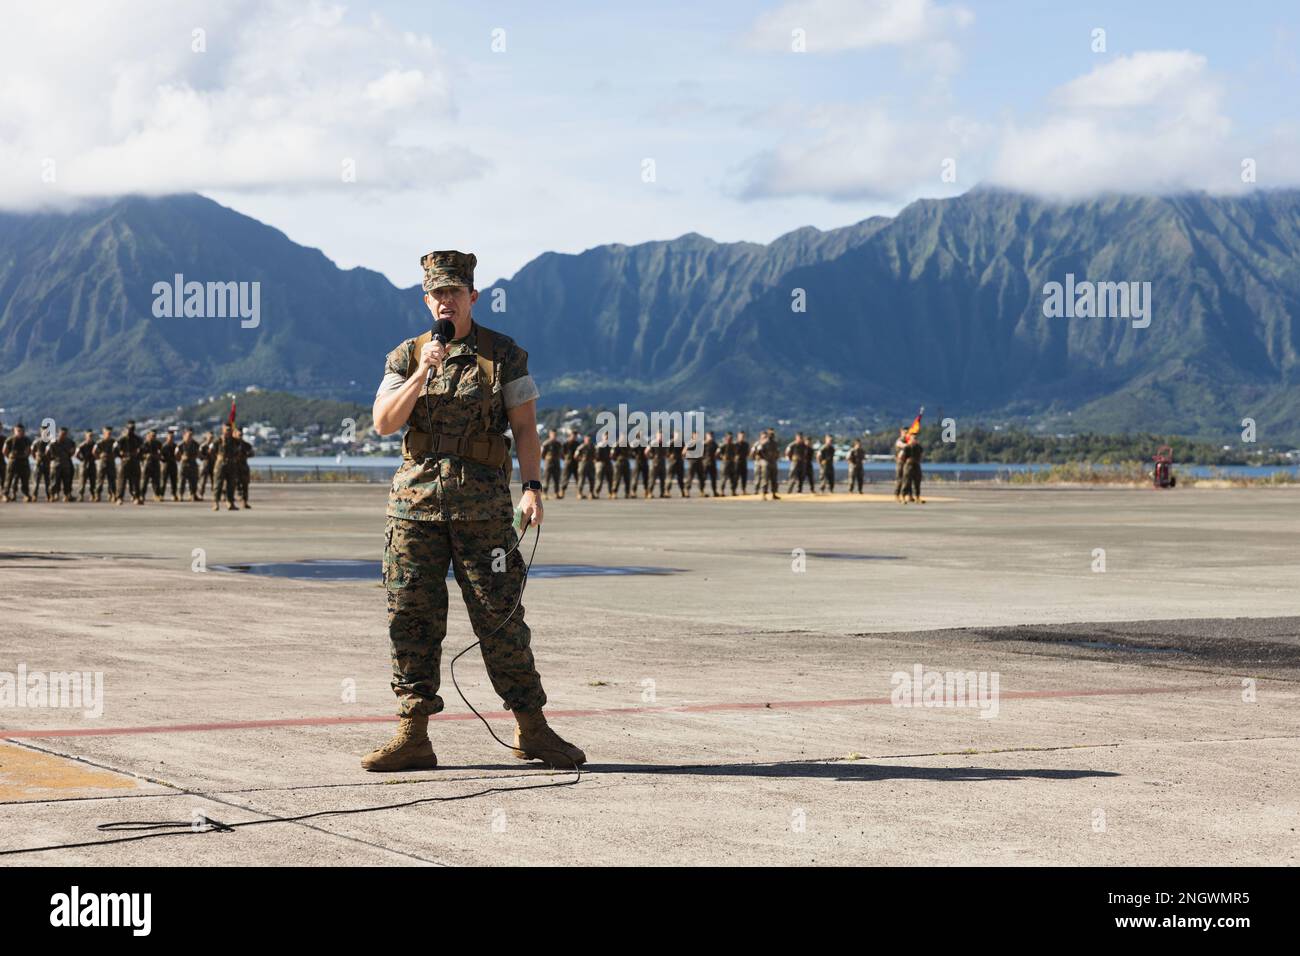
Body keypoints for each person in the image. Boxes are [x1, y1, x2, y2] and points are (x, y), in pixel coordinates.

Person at [364, 248, 584, 772]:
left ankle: (532, 728)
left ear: (472, 297)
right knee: (410, 616)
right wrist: (421, 374)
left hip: (484, 512)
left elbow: (526, 428)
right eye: (437, 293)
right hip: (414, 511)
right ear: (426, 299)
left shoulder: (504, 354)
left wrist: (532, 487)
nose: (446, 301)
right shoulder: (406, 354)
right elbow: (383, 423)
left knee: (501, 616)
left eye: (454, 293)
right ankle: (412, 732)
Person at [210, 423, 240, 511]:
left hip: (231, 464)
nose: (229, 432)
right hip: (220, 464)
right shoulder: (217, 440)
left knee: (231, 484)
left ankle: (230, 502)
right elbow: (211, 452)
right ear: (223, 430)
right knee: (217, 484)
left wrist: (234, 459)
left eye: (230, 430)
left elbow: (238, 452)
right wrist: (218, 459)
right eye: (227, 430)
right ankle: (215, 502)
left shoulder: (235, 441)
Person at [115, 421, 145, 506]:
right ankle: (119, 498)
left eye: (132, 428)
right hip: (124, 462)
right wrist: (121, 456)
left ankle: (136, 497)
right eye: (129, 428)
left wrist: (139, 456)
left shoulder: (138, 439)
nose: (130, 430)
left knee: (136, 481)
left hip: (135, 461)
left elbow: (143, 449)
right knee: (122, 481)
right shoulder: (121, 439)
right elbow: (115, 449)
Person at [3, 424, 33, 502]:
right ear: (14, 431)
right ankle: (5, 495)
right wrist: (10, 458)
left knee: (25, 480)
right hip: (13, 462)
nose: (21, 432)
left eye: (22, 431)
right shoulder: (10, 439)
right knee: (9, 479)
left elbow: (29, 450)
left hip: (23, 462)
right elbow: (4, 451)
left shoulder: (26, 439)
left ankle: (26, 495)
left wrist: (25, 456)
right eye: (19, 431)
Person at [50, 426, 76, 502]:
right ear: (58, 433)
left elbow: (73, 451)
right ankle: (54, 494)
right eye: (62, 433)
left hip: (66, 464)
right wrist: (53, 460)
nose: (63, 435)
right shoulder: (53, 442)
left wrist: (68, 456)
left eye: (65, 434)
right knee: (55, 481)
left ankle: (67, 495)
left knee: (67, 481)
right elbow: (49, 453)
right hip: (56, 464)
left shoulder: (70, 442)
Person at [93, 426, 117, 503]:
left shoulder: (114, 442)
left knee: (112, 480)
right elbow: (94, 451)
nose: (109, 435)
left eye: (110, 433)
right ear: (104, 433)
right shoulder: (100, 442)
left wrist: (114, 456)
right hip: (102, 462)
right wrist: (99, 457)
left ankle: (112, 494)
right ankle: (97, 495)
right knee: (100, 480)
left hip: (111, 462)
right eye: (107, 433)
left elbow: (118, 450)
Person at [178, 428, 202, 501]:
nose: (190, 437)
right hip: (184, 464)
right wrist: (181, 457)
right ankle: (180, 495)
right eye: (188, 435)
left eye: (191, 435)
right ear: (184, 435)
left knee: (194, 480)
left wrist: (196, 456)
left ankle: (193, 494)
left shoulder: (196, 444)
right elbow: (176, 454)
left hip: (192, 463)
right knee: (182, 481)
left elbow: (199, 454)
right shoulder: (180, 445)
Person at [141, 428, 163, 501]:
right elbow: (140, 454)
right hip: (147, 464)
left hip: (156, 463)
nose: (153, 437)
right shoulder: (144, 444)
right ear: (148, 435)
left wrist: (159, 456)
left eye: (154, 435)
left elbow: (162, 454)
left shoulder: (158, 444)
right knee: (144, 481)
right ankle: (142, 495)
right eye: (152, 435)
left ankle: (157, 495)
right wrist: (145, 456)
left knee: (156, 481)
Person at [75, 430, 97, 501]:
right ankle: (81, 495)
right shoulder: (82, 445)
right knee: (82, 481)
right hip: (84, 464)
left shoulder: (95, 444)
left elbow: (98, 452)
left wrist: (95, 458)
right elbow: (76, 454)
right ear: (86, 436)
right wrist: (82, 459)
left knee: (93, 481)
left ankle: (93, 495)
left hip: (92, 464)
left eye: (91, 436)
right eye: (89, 436)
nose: (90, 437)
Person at [540, 429, 563, 499]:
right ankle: (544, 493)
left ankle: (556, 493)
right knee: (546, 478)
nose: (554, 436)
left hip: (557, 462)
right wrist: (547, 459)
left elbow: (561, 453)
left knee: (557, 479)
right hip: (548, 462)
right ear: (550, 435)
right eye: (553, 434)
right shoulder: (546, 443)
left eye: (555, 435)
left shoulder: (559, 444)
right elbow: (542, 454)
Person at [559, 429, 580, 499]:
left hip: (576, 463)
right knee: (565, 478)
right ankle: (562, 492)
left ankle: (579, 493)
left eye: (575, 436)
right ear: (570, 436)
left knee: (578, 479)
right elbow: (561, 453)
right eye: (573, 436)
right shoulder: (565, 444)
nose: (574, 437)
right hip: (568, 463)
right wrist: (566, 459)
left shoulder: (577, 444)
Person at [574, 433, 596, 499]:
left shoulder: (592, 447)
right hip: (583, 464)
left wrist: (594, 459)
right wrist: (581, 459)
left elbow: (595, 454)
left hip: (590, 464)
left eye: (589, 439)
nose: (588, 440)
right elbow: (575, 456)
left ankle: (591, 493)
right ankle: (579, 493)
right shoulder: (581, 447)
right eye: (587, 439)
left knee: (592, 479)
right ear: (584, 439)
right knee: (581, 479)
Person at [160, 429, 180, 501]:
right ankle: (161, 495)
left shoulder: (176, 446)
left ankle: (174, 494)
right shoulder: (163, 446)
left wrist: (177, 455)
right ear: (167, 437)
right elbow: (160, 456)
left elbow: (178, 457)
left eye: (172, 437)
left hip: (173, 464)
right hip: (166, 464)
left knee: (174, 481)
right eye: (170, 437)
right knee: (163, 481)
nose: (171, 438)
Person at [893, 428, 909, 503]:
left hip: (907, 463)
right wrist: (910, 443)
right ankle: (897, 495)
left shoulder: (908, 440)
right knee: (899, 479)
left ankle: (905, 495)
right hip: (900, 462)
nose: (906, 434)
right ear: (901, 432)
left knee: (907, 479)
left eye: (907, 432)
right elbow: (902, 445)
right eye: (904, 432)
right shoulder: (899, 440)